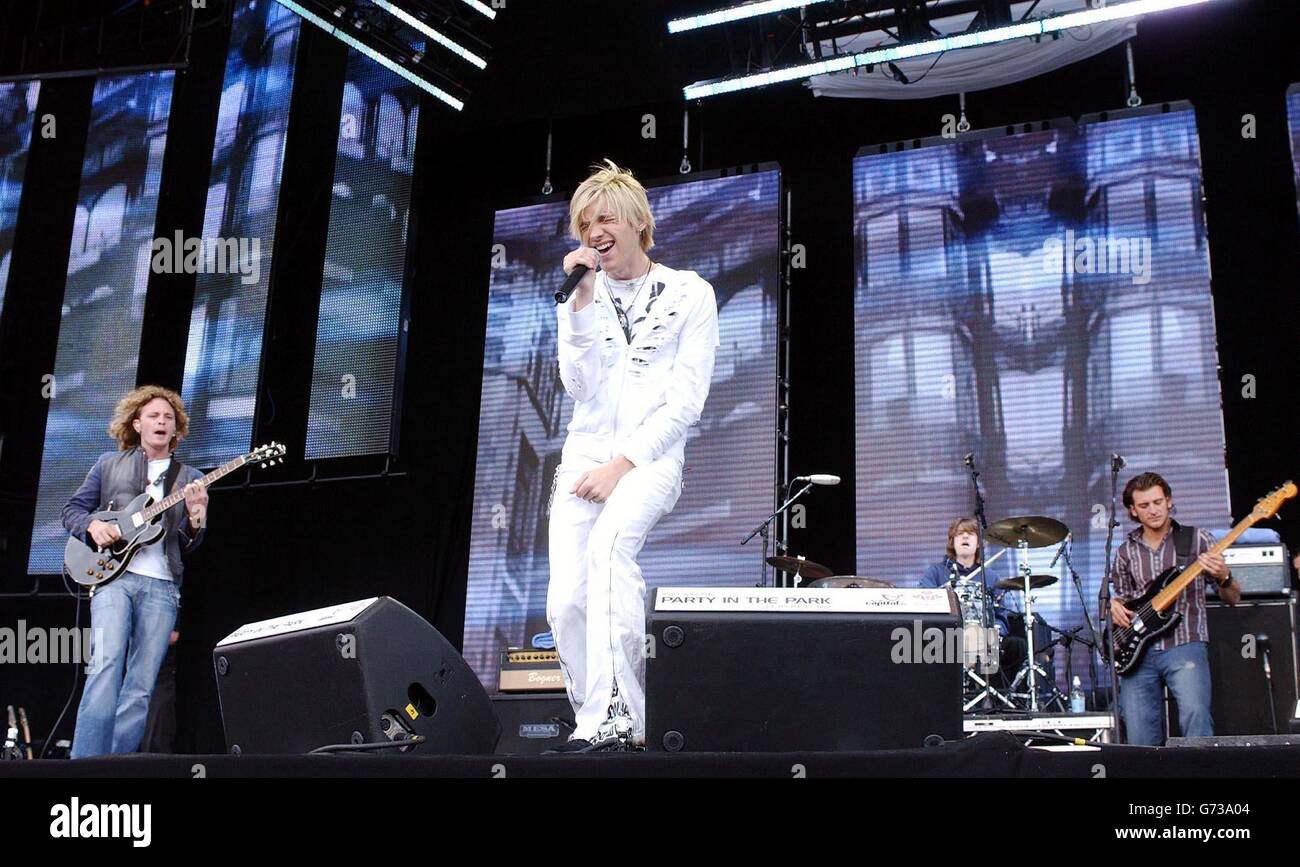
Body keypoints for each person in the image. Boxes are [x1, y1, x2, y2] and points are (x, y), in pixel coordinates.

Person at [546, 160, 719, 752]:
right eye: (585, 223)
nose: (594, 230)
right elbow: (578, 387)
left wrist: (622, 465)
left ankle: (624, 723)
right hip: (583, 456)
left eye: (605, 218)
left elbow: (686, 403)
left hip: (650, 457)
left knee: (610, 549)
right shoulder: (579, 295)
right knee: (566, 601)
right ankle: (592, 717)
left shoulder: (689, 292)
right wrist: (580, 307)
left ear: (637, 222)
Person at [63, 385, 208, 758]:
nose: (162, 421)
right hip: (113, 579)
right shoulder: (108, 465)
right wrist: (94, 527)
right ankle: (83, 765)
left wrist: (196, 519)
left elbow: (189, 545)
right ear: (137, 423)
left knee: (142, 684)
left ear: (177, 430)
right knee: (106, 663)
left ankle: (113, 764)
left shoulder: (189, 476)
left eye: (169, 418)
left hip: (162, 587)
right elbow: (73, 511)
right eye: (154, 416)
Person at [1110, 471, 1239, 745]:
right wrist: (1112, 606)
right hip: (1137, 654)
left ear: (1169, 501)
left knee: (1196, 720)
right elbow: (1122, 599)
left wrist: (1224, 575)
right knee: (1139, 737)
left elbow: (1232, 598)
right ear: (1133, 511)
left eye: (1158, 502)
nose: (1153, 510)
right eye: (1144, 505)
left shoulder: (1197, 539)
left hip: (1185, 644)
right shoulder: (1124, 552)